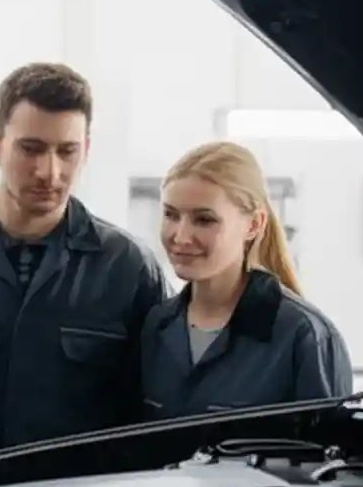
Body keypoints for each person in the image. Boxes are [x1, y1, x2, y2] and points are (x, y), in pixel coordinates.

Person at [0, 62, 168, 460]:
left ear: (85, 150)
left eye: (66, 151)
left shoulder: (127, 268)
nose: (49, 172)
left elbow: (150, 410)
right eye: (31, 149)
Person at [141, 141, 352, 416]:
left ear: (253, 225)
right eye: (171, 215)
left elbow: (334, 453)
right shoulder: (156, 326)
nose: (180, 236)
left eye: (204, 220)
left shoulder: (305, 337)